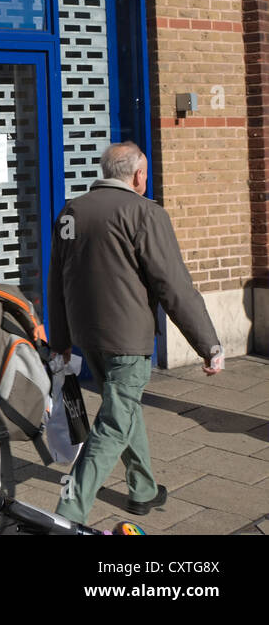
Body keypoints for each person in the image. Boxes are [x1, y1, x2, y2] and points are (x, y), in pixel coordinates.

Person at [48, 142, 223, 524]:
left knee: (123, 409)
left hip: (87, 337)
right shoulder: (145, 213)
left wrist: (60, 341)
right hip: (128, 340)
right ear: (138, 175)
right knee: (113, 424)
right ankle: (66, 514)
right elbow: (174, 286)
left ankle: (142, 489)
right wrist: (208, 344)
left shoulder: (71, 211)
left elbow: (56, 282)